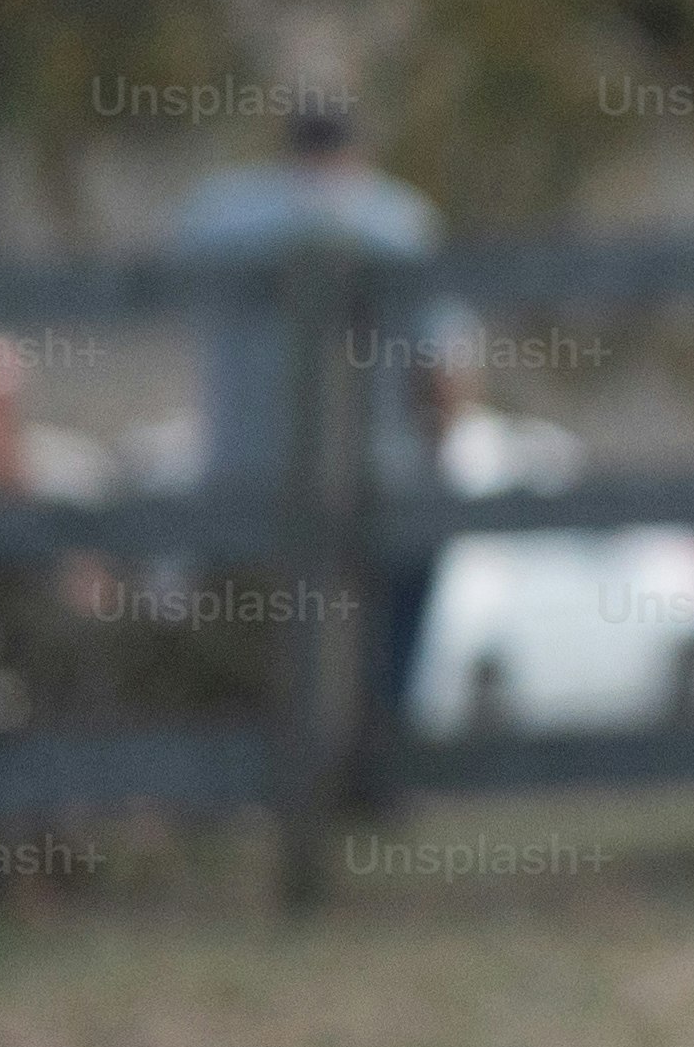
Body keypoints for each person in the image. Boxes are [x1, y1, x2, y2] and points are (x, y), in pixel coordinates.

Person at [166, 104, 475, 713]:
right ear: (358, 149)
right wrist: (436, 460)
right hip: (373, 483)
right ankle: (379, 753)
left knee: (247, 660)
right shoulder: (395, 221)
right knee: (396, 608)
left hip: (239, 482)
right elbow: (441, 370)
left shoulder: (218, 219)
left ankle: (242, 768)